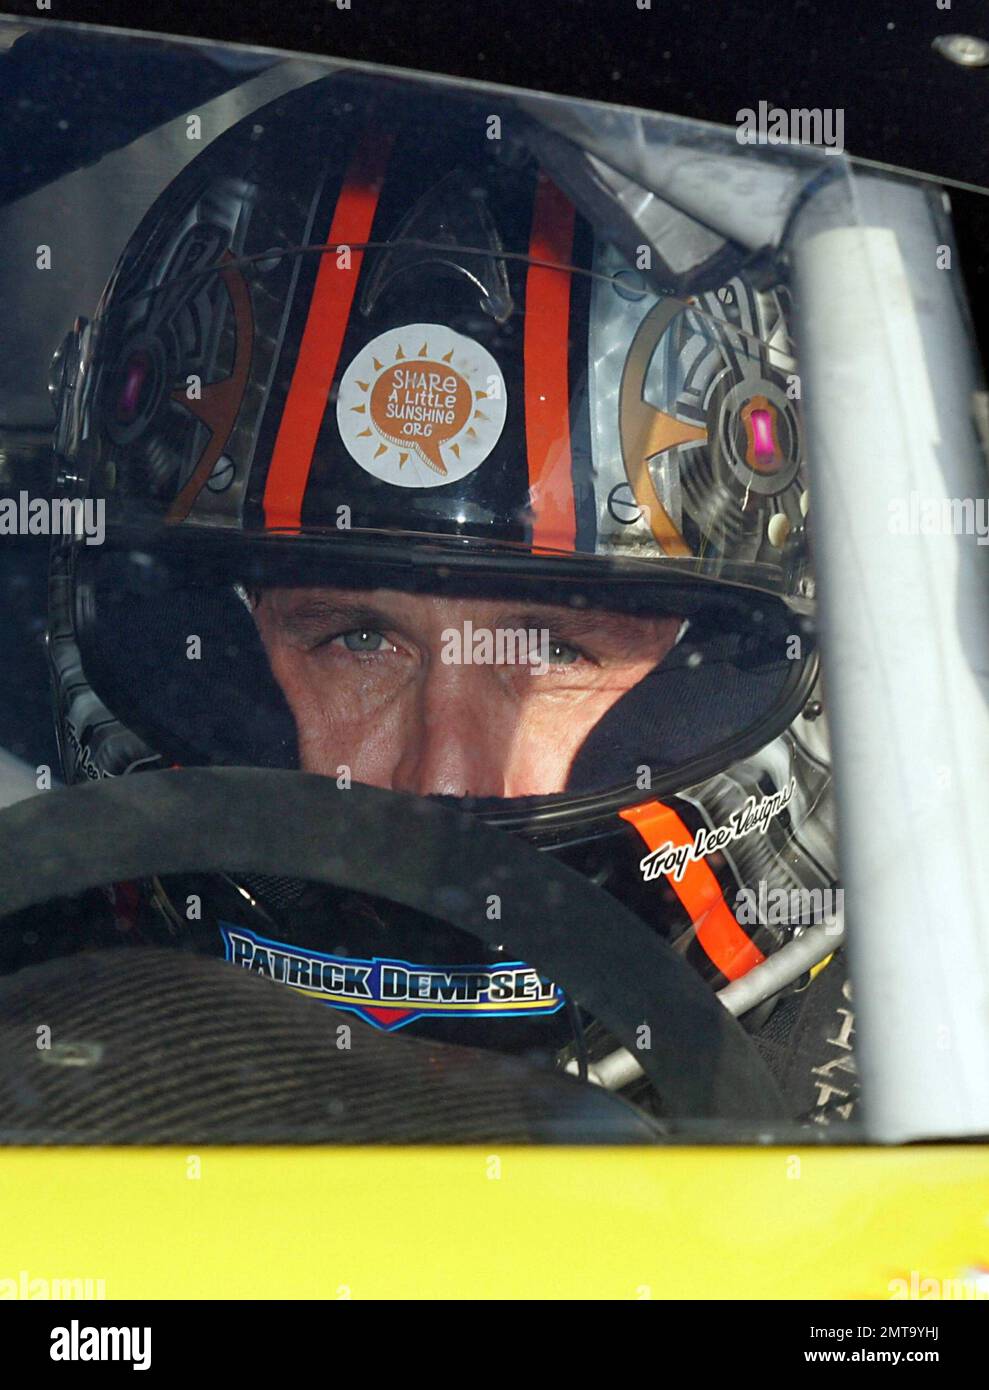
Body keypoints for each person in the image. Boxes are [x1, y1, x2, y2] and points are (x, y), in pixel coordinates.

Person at [40, 66, 856, 1124]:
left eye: (560, 649)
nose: (446, 777)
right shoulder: (39, 1038)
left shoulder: (927, 1098)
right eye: (355, 637)